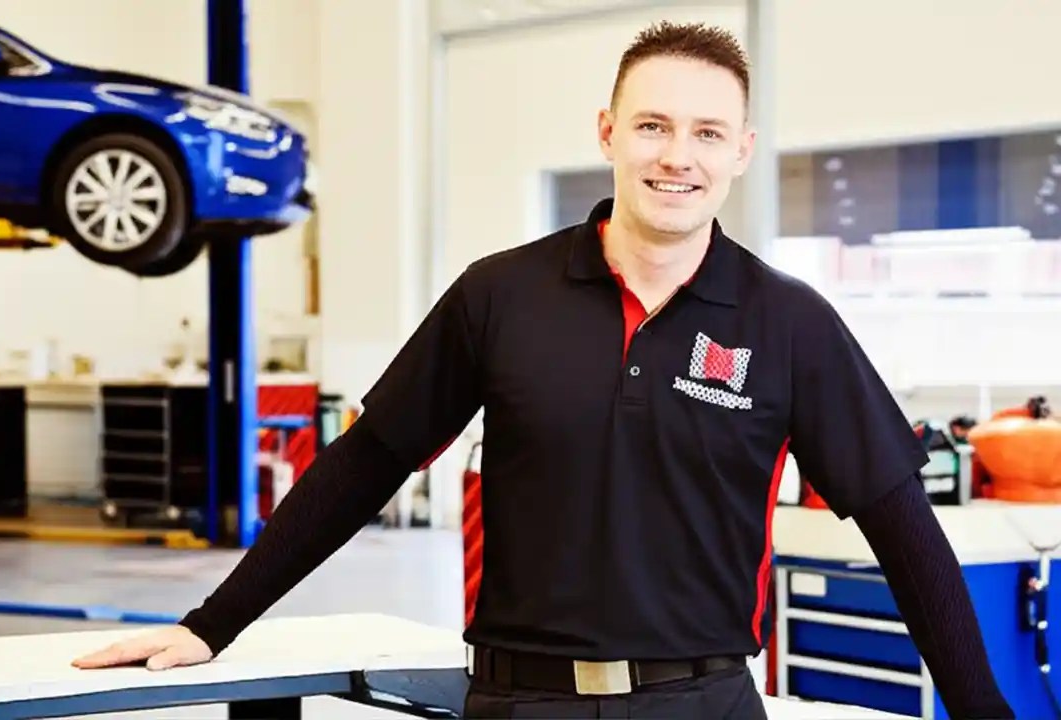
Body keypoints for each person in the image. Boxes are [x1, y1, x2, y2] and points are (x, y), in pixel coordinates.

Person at [73, 22, 1016, 719]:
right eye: (652, 125)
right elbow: (367, 464)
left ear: (740, 152)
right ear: (607, 132)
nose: (676, 156)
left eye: (705, 132)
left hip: (703, 701)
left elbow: (907, 534)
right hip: (518, 703)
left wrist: (985, 713)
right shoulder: (500, 295)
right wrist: (213, 622)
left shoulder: (791, 323)